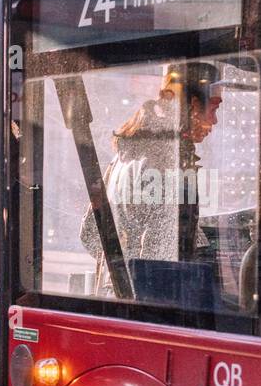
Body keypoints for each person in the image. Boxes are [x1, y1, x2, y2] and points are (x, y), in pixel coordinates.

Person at [82, 61, 222, 274]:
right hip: (150, 298)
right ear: (193, 106)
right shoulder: (170, 162)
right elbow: (167, 259)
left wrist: (123, 266)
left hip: (118, 293)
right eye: (213, 108)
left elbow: (90, 235)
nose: (215, 120)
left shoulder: (121, 158)